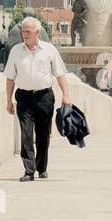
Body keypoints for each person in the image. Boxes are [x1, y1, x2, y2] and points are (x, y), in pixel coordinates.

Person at [4, 16, 74, 181]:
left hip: (44, 97)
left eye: (28, 31)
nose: (25, 34)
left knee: (43, 134)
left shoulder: (49, 50)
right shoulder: (16, 51)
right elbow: (9, 78)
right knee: (26, 134)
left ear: (37, 32)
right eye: (23, 31)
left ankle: (42, 167)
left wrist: (66, 95)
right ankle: (29, 170)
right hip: (24, 97)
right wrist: (8, 101)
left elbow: (60, 74)